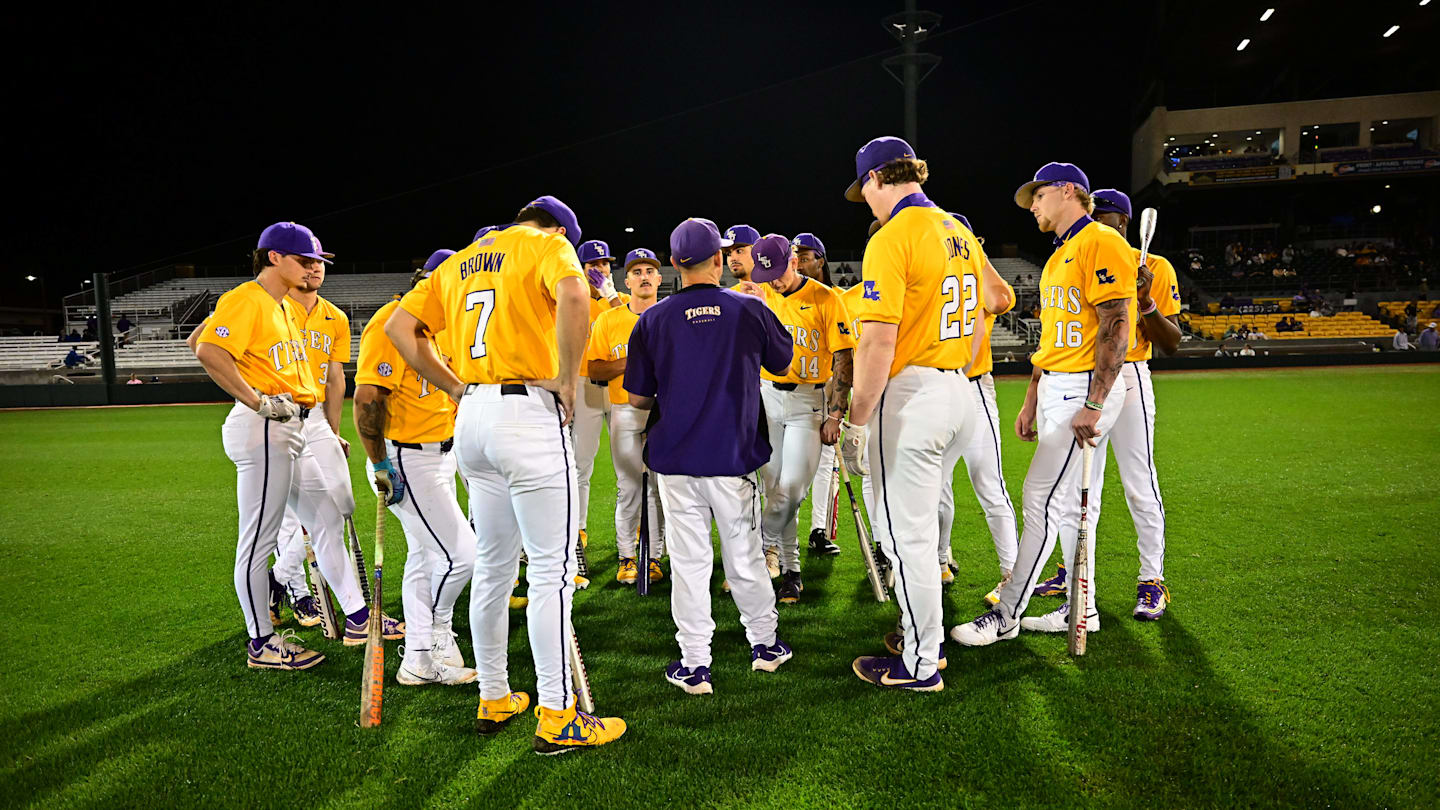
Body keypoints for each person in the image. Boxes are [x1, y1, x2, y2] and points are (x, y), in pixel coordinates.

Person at [385, 195, 626, 753]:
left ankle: (494, 695)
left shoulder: (459, 259)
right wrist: (569, 377)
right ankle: (558, 714)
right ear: (560, 228)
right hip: (526, 413)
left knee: (494, 568)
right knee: (552, 572)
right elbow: (572, 294)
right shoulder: (548, 244)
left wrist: (454, 389)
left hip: (472, 417)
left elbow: (403, 327)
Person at [952, 161, 1134, 648]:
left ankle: (1007, 614)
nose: (1032, 205)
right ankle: (1083, 608)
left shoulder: (1101, 240)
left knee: (1040, 498)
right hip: (1056, 384)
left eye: (1038, 195)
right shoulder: (1058, 255)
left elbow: (1118, 322)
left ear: (1069, 191)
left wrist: (1095, 402)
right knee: (1076, 510)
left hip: (1082, 389)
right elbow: (1054, 337)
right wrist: (1032, 398)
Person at [623, 217, 794, 696]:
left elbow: (637, 399)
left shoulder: (652, 319)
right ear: (719, 259)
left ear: (675, 264)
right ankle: (765, 645)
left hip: (675, 458)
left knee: (689, 563)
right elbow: (783, 365)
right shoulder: (748, 308)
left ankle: (696, 663)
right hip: (733, 456)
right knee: (745, 557)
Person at [838, 136, 985, 691]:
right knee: (915, 532)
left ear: (877, 178)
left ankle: (923, 664)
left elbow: (876, 346)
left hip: (911, 395)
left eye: (865, 190)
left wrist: (856, 419)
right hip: (958, 388)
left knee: (906, 539)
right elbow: (980, 323)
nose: (866, 202)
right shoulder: (958, 229)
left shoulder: (894, 235)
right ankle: (919, 634)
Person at [194, 222, 347, 671]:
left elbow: (198, 340)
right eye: (305, 260)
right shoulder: (249, 297)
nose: (314, 267)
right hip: (265, 427)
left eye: (318, 261)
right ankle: (261, 643)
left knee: (324, 513)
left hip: (289, 426)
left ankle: (339, 608)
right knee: (259, 540)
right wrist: (256, 399)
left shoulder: (278, 306)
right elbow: (207, 351)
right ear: (274, 257)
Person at [353, 250, 478, 688]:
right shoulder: (392, 321)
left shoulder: (443, 329)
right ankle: (436, 636)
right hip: (406, 457)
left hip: (440, 453)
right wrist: (380, 463)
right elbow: (368, 397)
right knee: (462, 554)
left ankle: (418, 660)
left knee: (426, 560)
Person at [749, 234, 855, 604]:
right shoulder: (761, 295)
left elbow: (844, 358)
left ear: (794, 261)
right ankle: (791, 572)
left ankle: (755, 545)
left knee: (792, 489)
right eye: (768, 275)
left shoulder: (826, 298)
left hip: (809, 401)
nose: (775, 280)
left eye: (779, 271)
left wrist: (837, 413)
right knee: (776, 486)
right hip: (766, 397)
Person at [941, 214, 1020, 601]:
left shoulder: (975, 274)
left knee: (988, 482)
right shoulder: (932, 273)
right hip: (935, 388)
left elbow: (1001, 300)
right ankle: (939, 559)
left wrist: (976, 252)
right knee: (932, 486)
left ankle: (1012, 575)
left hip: (971, 388)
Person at [585, 248, 666, 586]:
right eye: (637, 271)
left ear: (660, 279)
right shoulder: (608, 320)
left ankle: (656, 557)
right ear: (626, 281)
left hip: (666, 412)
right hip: (625, 411)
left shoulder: (670, 315)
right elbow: (594, 371)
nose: (644, 276)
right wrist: (634, 362)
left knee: (663, 489)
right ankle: (627, 556)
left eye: (650, 270)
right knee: (630, 487)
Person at [571, 239, 628, 589]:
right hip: (584, 384)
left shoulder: (618, 298)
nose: (601, 270)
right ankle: (578, 532)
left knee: (628, 461)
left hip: (621, 382)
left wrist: (609, 296)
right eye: (594, 264)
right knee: (582, 461)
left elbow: (631, 324)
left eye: (605, 263)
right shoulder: (573, 295)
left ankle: (634, 537)